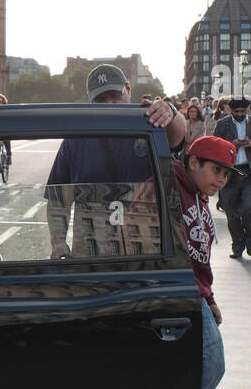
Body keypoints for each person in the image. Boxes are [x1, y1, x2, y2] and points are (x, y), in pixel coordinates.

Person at [45, 64, 185, 258]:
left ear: (128, 89)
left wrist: (170, 111)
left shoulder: (149, 121)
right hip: (90, 249)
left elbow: (177, 137)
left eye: (114, 95)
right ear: (91, 100)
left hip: (145, 248)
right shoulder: (75, 138)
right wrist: (58, 243)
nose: (109, 103)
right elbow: (57, 198)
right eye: (101, 99)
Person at [162, 134, 236, 389]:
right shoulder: (172, 187)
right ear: (193, 163)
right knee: (209, 365)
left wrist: (210, 298)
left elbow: (201, 258)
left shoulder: (199, 196)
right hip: (176, 293)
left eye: (226, 174)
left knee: (200, 370)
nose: (221, 180)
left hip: (195, 294)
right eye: (216, 170)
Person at [212, 96, 251, 257]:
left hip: (248, 172)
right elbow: (213, 146)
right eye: (237, 112)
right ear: (230, 110)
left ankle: (249, 242)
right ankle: (238, 245)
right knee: (231, 211)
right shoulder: (223, 124)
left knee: (247, 208)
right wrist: (231, 145)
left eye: (243, 111)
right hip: (229, 173)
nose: (240, 114)